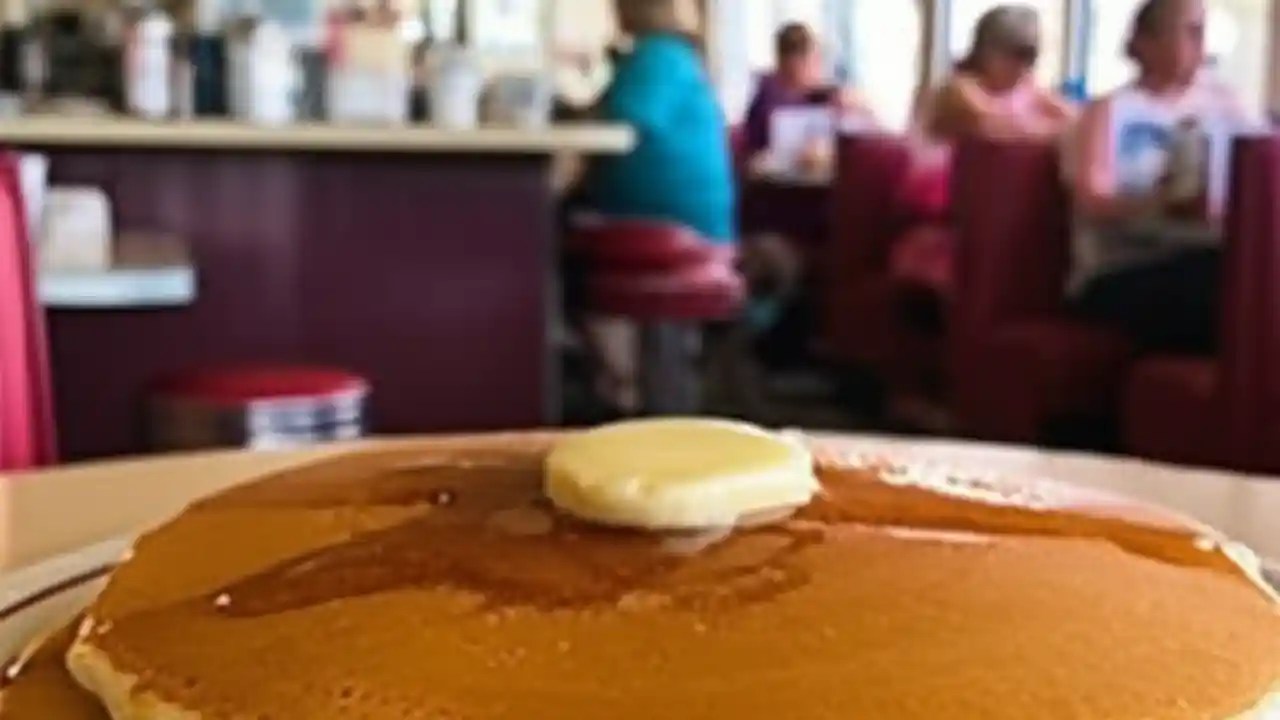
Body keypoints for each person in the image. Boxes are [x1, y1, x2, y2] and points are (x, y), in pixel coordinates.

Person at [564, 0, 735, 414]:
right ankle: (618, 380)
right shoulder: (667, 57)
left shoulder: (657, 57)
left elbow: (623, 116)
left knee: (559, 246)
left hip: (671, 225)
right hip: (689, 223)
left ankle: (615, 386)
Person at [1065, 0, 1249, 353]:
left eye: (1203, 33)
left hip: (1208, 250)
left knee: (1244, 272)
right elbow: (1092, 201)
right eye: (1191, 31)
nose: (1202, 44)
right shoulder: (1110, 111)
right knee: (1223, 280)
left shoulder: (1228, 106)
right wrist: (1160, 202)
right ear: (1148, 43)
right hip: (1122, 269)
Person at [919, 4, 1074, 142]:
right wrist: (1056, 130)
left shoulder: (1027, 86)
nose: (1021, 67)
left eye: (1029, 57)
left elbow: (1071, 117)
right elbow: (998, 126)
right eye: (1014, 55)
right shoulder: (960, 88)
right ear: (984, 52)